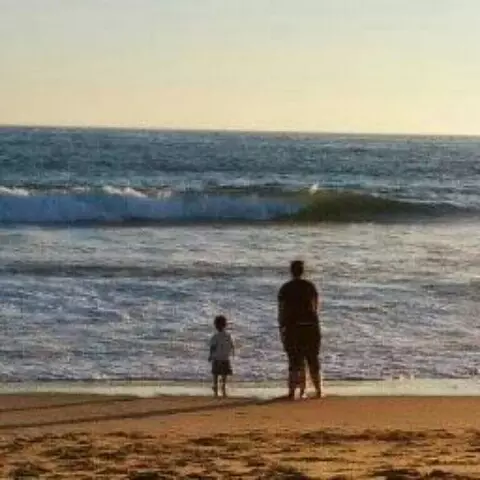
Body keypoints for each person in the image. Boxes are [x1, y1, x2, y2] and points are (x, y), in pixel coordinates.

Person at [278, 260, 322, 399]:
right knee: (312, 359)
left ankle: (292, 391)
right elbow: (315, 308)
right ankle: (318, 390)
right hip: (310, 326)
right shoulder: (310, 287)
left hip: (293, 327)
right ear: (303, 271)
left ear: (291, 271)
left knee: (294, 360)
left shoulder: (285, 288)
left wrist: (282, 329)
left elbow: (281, 311)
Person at [208, 315, 235, 398]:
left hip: (216, 358)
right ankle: (223, 391)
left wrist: (210, 356)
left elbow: (212, 347)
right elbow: (231, 345)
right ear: (225, 325)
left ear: (215, 325)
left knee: (215, 374)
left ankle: (215, 391)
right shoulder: (228, 335)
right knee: (224, 375)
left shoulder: (215, 336)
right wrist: (232, 352)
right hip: (225, 358)